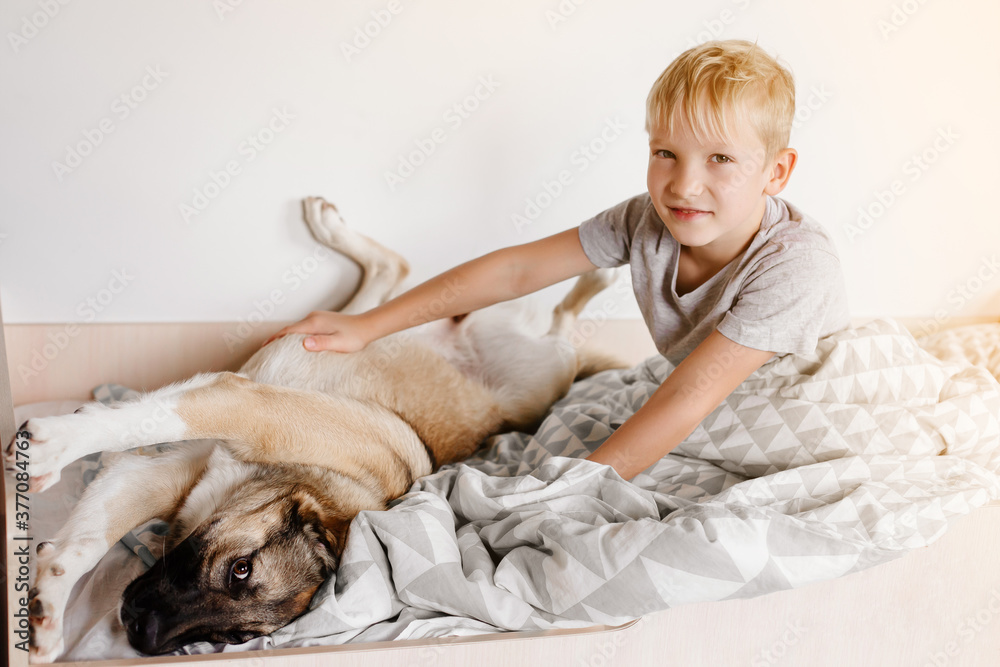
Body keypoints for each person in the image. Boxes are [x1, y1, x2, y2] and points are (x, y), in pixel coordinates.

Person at [264, 40, 850, 481]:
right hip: (701, 385)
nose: (684, 185)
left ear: (776, 172)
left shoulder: (796, 266)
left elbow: (692, 395)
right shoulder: (646, 220)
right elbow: (516, 271)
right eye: (665, 153)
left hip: (796, 401)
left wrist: (581, 484)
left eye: (720, 158)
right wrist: (368, 325)